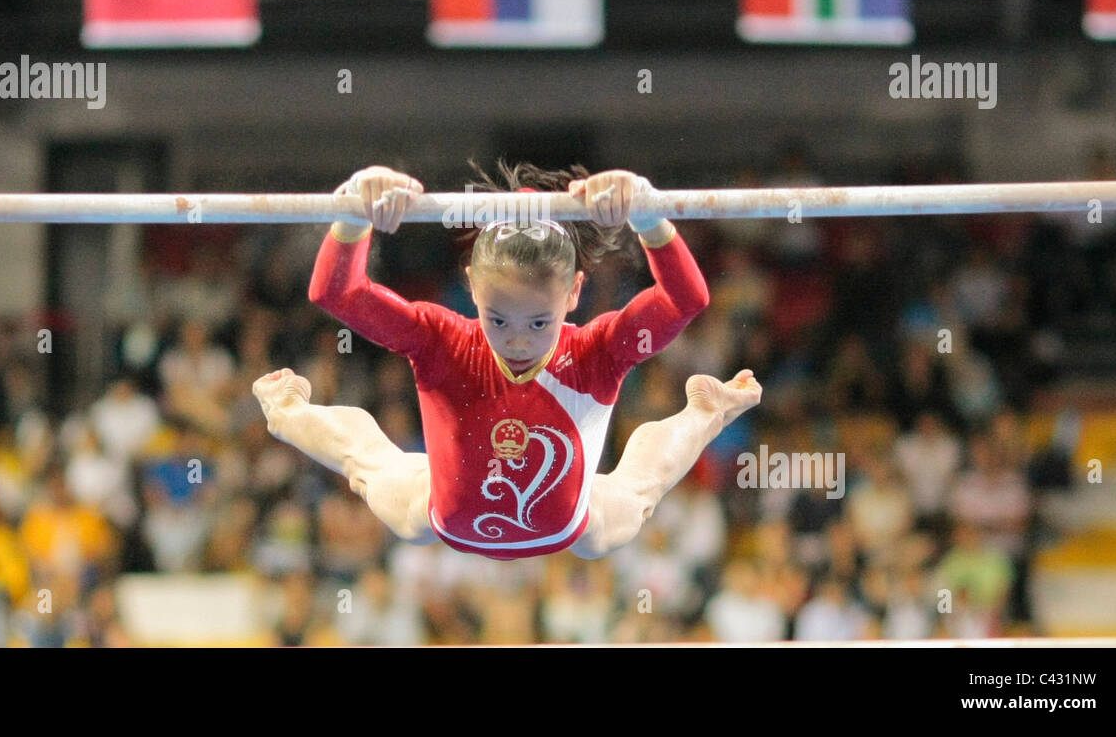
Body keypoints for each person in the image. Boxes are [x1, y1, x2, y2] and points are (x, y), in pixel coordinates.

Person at [254, 162, 762, 561]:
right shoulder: (440, 341)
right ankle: (286, 412)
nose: (517, 339)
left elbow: (684, 300)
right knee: (363, 464)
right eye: (498, 320)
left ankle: (706, 412)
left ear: (573, 294)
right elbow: (336, 293)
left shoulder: (598, 352)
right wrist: (354, 211)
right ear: (471, 285)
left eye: (538, 323)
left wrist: (649, 216)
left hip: (572, 523)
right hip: (440, 517)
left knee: (639, 491)